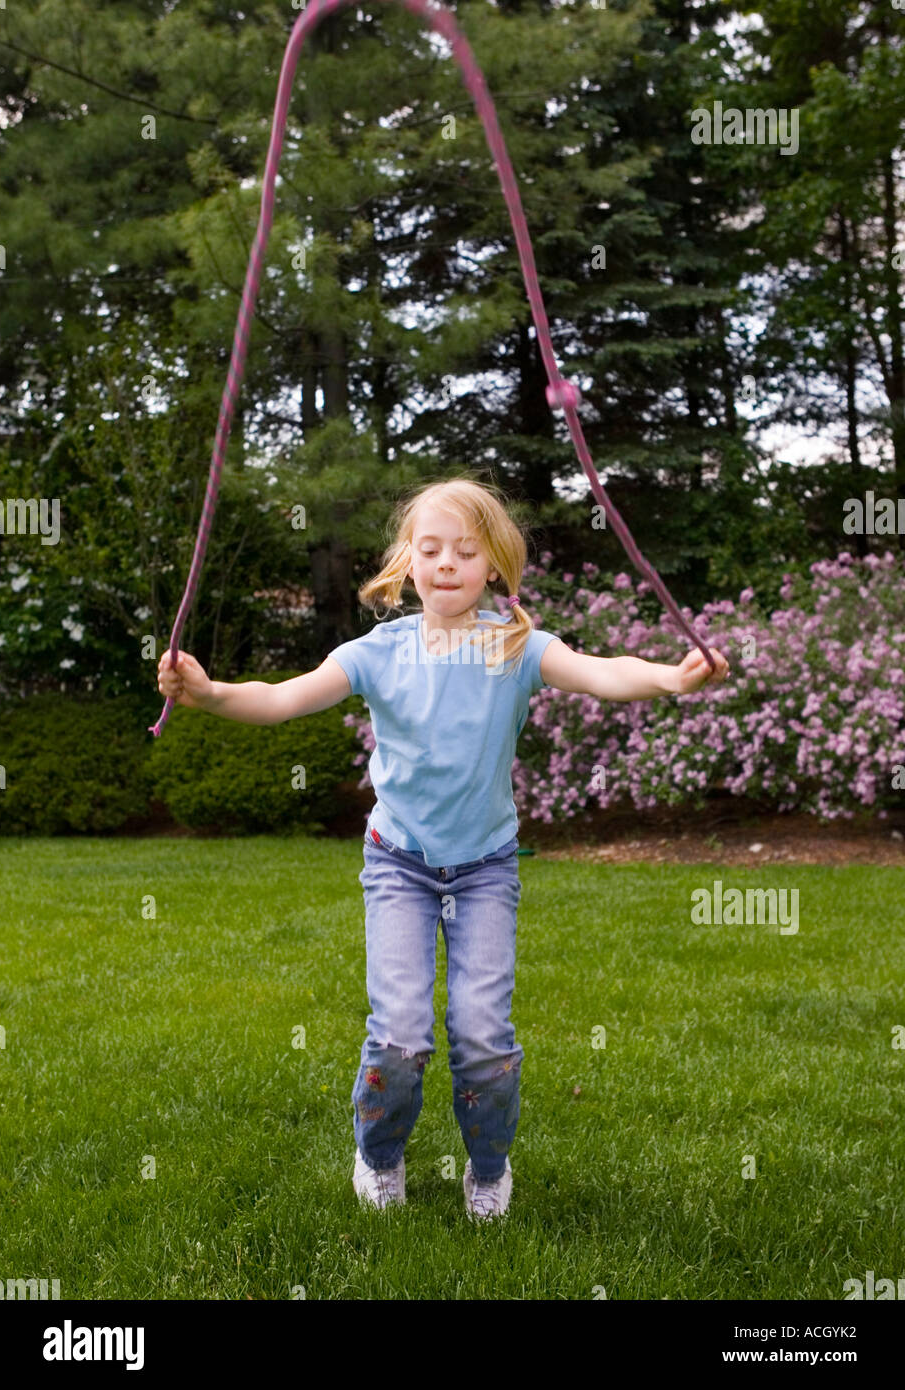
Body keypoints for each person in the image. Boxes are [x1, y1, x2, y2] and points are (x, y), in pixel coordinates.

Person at [157, 476, 729, 1221]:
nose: (448, 563)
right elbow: (284, 696)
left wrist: (669, 679)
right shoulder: (376, 652)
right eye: (431, 549)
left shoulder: (518, 646)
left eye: (467, 550)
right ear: (407, 563)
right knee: (399, 1035)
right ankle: (380, 1157)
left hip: (486, 867)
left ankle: (488, 1170)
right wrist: (212, 693)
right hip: (398, 863)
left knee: (483, 1036)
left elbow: (603, 675)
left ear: (494, 565)